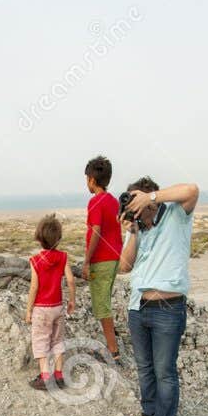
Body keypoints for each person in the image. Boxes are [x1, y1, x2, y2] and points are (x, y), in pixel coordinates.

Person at [116, 176, 199, 416]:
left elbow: (192, 190)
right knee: (144, 368)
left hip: (167, 308)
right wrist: (132, 232)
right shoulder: (141, 229)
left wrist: (151, 197)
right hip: (138, 307)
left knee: (165, 371)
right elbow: (124, 267)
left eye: (137, 199)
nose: (134, 206)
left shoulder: (177, 215)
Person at [25, 213, 75, 390]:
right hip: (58, 307)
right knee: (57, 340)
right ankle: (59, 375)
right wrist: (72, 300)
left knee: (40, 340)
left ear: (39, 238)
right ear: (59, 238)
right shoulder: (63, 257)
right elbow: (70, 280)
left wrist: (29, 310)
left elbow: (34, 288)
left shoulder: (35, 261)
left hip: (41, 309)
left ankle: (45, 376)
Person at [82, 155, 122, 361]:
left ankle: (113, 350)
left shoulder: (95, 201)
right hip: (114, 257)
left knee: (101, 303)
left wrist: (87, 261)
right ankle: (111, 342)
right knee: (104, 300)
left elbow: (96, 231)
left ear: (91, 179)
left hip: (101, 259)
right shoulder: (113, 201)